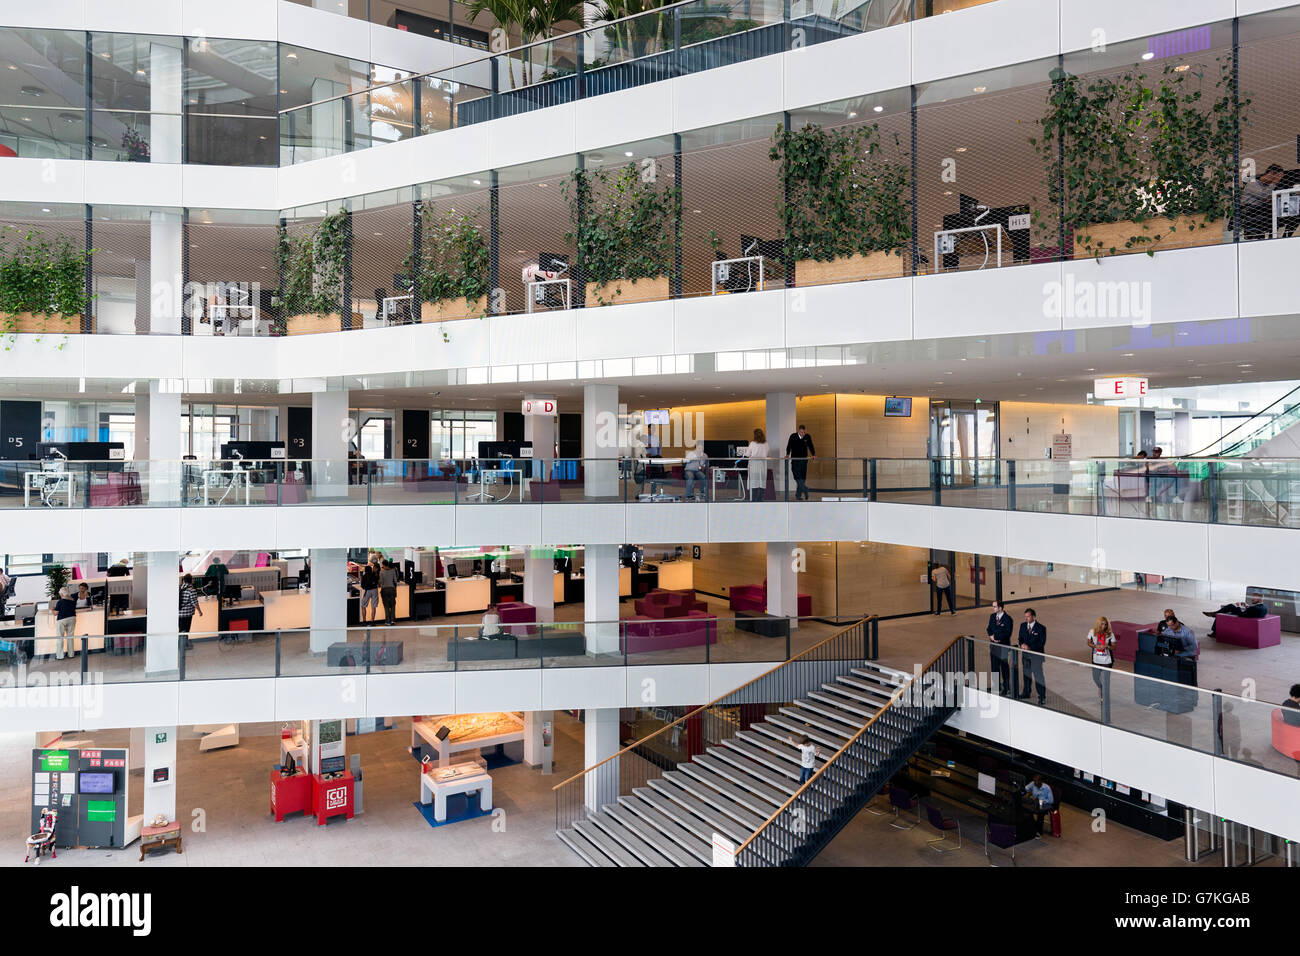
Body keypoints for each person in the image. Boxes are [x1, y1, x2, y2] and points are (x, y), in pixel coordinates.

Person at [1241, 163, 1285, 239]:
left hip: (1261, 212)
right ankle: (1272, 235)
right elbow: (1263, 195)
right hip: (1250, 211)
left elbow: (1267, 198)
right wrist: (1274, 183)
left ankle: (1274, 235)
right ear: (1271, 173)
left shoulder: (1267, 187)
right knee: (1272, 210)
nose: (1279, 180)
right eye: (1278, 177)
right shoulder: (1252, 183)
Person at [1018, 608, 1047, 705]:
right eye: (1025, 616)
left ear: (1034, 617)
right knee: (1026, 675)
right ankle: (1026, 692)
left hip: (1036, 657)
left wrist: (1029, 647)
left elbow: (1041, 643)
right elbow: (1020, 639)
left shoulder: (1041, 628)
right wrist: (1022, 644)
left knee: (1038, 677)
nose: (1026, 618)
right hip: (1025, 656)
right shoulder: (1022, 626)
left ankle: (1042, 696)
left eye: (1028, 616)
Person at [1202, 595, 1267, 638]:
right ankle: (1215, 614)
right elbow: (1252, 611)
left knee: (1229, 607)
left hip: (1243, 619)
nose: (1252, 599)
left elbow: (1241, 615)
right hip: (1250, 617)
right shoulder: (1264, 607)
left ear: (1259, 600)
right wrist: (1247, 606)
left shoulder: (1254, 608)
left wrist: (1238, 606)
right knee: (1224, 612)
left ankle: (1214, 615)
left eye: (1254, 598)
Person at [1086, 615, 1116, 704]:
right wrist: (1095, 646)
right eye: (1102, 624)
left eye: (1105, 624)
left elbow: (1114, 647)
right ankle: (1101, 688)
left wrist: (1107, 646)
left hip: (1107, 661)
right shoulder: (1092, 632)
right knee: (1095, 678)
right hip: (1096, 660)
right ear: (1098, 624)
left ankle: (1104, 698)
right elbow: (1088, 642)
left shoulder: (1110, 634)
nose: (1104, 626)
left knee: (1106, 681)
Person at [986, 600, 1013, 696]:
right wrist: (991, 637)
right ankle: (995, 686)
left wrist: (998, 639)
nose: (993, 608)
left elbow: (1007, 633)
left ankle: (1006, 688)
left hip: (1003, 647)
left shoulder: (1008, 619)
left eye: (995, 607)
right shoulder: (992, 616)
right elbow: (989, 629)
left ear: (1000, 608)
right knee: (994, 667)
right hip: (993, 647)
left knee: (1004, 668)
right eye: (993, 606)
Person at [785, 424, 816, 501]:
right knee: (797, 476)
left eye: (803, 432)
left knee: (802, 478)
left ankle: (798, 495)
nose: (802, 434)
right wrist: (787, 454)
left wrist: (813, 454)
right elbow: (789, 445)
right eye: (801, 432)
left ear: (805, 431)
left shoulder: (807, 437)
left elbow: (811, 446)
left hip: (804, 461)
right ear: (798, 431)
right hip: (795, 460)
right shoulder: (793, 436)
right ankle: (805, 489)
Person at [742, 428, 770, 501]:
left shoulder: (752, 443)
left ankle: (753, 499)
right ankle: (760, 498)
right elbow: (767, 453)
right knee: (762, 482)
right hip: (763, 464)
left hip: (754, 464)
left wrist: (743, 454)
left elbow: (748, 454)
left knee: (754, 482)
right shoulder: (766, 443)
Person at [179, 573, 203, 651]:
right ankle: (184, 645)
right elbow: (194, 603)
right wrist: (200, 611)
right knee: (186, 629)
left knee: (181, 629)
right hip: (187, 613)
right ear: (191, 580)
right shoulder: (192, 590)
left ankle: (181, 644)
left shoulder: (179, 588)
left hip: (179, 613)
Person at [53, 587, 77, 660]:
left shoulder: (60, 602)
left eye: (60, 593)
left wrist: (52, 610)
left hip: (62, 620)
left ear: (62, 594)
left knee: (60, 637)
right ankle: (71, 654)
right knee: (70, 637)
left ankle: (60, 656)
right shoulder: (73, 600)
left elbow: (55, 613)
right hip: (72, 619)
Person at [378, 559, 400, 626]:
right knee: (393, 605)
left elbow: (381, 582)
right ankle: (393, 620)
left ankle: (387, 621)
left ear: (383, 565)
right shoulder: (393, 571)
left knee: (386, 606)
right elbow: (395, 581)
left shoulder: (381, 572)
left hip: (384, 590)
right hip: (392, 589)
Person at [359, 560, 380, 624]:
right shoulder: (375, 575)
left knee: (363, 606)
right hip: (375, 590)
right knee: (373, 607)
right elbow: (378, 583)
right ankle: (372, 621)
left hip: (368, 591)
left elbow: (362, 586)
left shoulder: (365, 576)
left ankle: (364, 621)